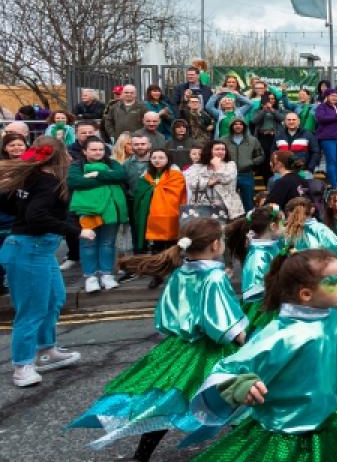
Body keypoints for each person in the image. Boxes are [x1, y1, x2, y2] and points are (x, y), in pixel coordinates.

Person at [188, 249, 337, 461]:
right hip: (284, 434)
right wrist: (240, 386)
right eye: (333, 281)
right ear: (306, 294)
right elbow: (228, 370)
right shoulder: (279, 335)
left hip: (330, 419)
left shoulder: (333, 320)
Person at [69, 218, 246, 460]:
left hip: (180, 347)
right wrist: (241, 337)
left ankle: (142, 455)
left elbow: (167, 313)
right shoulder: (214, 278)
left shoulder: (180, 272)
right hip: (211, 349)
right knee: (237, 396)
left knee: (167, 399)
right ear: (215, 245)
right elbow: (221, 319)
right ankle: (246, 448)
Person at [0, 137, 85, 387]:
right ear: (57, 157)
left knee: (53, 300)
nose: (70, 158)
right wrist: (76, 231)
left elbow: (11, 204)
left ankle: (46, 350)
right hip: (29, 250)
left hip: (39, 250)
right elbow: (36, 216)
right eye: (67, 154)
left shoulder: (33, 178)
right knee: (31, 310)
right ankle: (22, 365)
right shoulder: (47, 181)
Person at [68, 137, 129, 293]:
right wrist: (105, 178)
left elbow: (120, 175)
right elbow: (75, 182)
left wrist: (96, 174)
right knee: (88, 244)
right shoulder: (76, 165)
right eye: (94, 149)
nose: (98, 152)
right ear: (84, 151)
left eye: (101, 149)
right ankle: (90, 276)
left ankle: (106, 274)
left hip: (111, 210)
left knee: (107, 244)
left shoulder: (112, 163)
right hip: (87, 211)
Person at [130, 149, 186, 256]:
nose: (157, 160)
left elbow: (176, 193)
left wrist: (156, 189)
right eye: (154, 158)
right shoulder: (146, 176)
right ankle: (158, 267)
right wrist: (153, 189)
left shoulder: (175, 175)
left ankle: (171, 267)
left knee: (171, 243)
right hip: (151, 216)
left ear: (168, 159)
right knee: (157, 245)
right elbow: (140, 192)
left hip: (170, 215)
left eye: (161, 158)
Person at [184, 140, 244, 220]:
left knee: (224, 230)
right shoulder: (200, 166)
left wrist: (217, 166)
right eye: (217, 149)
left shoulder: (230, 164)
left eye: (223, 149)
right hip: (203, 205)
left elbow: (226, 179)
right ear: (210, 151)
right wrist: (208, 182)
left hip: (227, 206)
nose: (221, 151)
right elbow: (192, 183)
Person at [220, 117, 264, 213]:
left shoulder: (253, 140)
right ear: (231, 126)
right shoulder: (223, 140)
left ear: (244, 126)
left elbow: (260, 155)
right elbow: (218, 155)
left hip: (246, 174)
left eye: (240, 124)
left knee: (248, 202)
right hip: (228, 175)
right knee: (228, 201)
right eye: (235, 124)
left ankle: (248, 224)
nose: (238, 126)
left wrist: (251, 162)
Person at [315, 88, 337, 189]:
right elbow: (320, 118)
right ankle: (335, 186)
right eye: (332, 95)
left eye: (336, 95)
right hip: (328, 138)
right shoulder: (322, 107)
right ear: (327, 97)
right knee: (331, 161)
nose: (334, 97)